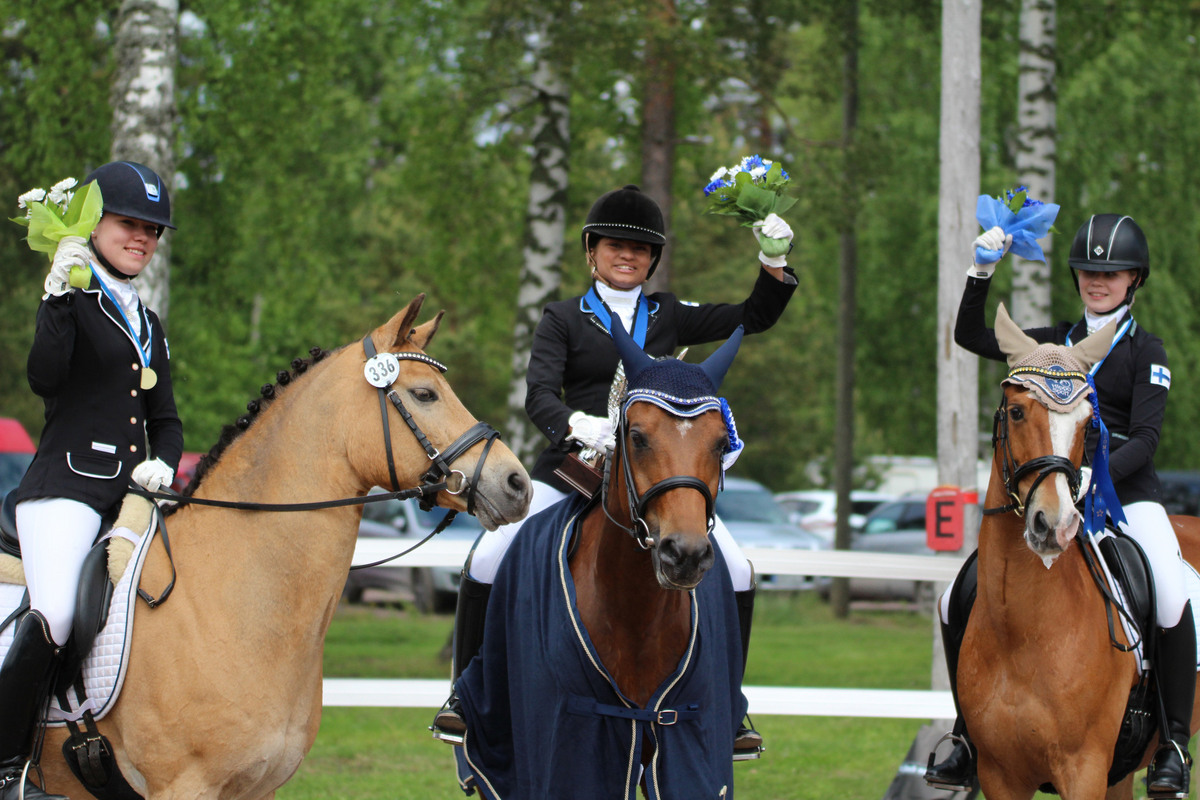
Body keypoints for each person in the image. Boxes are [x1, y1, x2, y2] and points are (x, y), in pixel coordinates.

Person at [432, 184, 797, 755]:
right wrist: (576, 424)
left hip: (653, 474)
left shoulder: (669, 314)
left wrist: (773, 262)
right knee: (488, 557)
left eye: (640, 249)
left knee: (738, 571)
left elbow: (752, 317)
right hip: (577, 467)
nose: (627, 255)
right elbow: (538, 393)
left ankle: (731, 707)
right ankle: (465, 695)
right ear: (592, 252)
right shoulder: (562, 317)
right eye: (615, 245)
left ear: (652, 260)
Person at [926, 214, 1194, 798]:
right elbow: (970, 335)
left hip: (1126, 497)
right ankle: (968, 734)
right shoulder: (1051, 346)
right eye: (1089, 272)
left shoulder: (1146, 349)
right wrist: (980, 273)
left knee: (1172, 592)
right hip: (1049, 490)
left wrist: (1090, 479)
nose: (1098, 281)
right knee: (953, 599)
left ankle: (1173, 744)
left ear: (1134, 279)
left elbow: (1146, 439)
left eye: (1112, 273)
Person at [1, 161, 183, 800]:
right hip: (66, 490)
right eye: (130, 223)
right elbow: (44, 379)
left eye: (152, 230)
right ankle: (6, 768)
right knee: (54, 612)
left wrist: (164, 462)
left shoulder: (148, 323)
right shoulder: (72, 300)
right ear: (94, 225)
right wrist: (55, 297)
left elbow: (166, 420)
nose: (142, 238)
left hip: (130, 499)